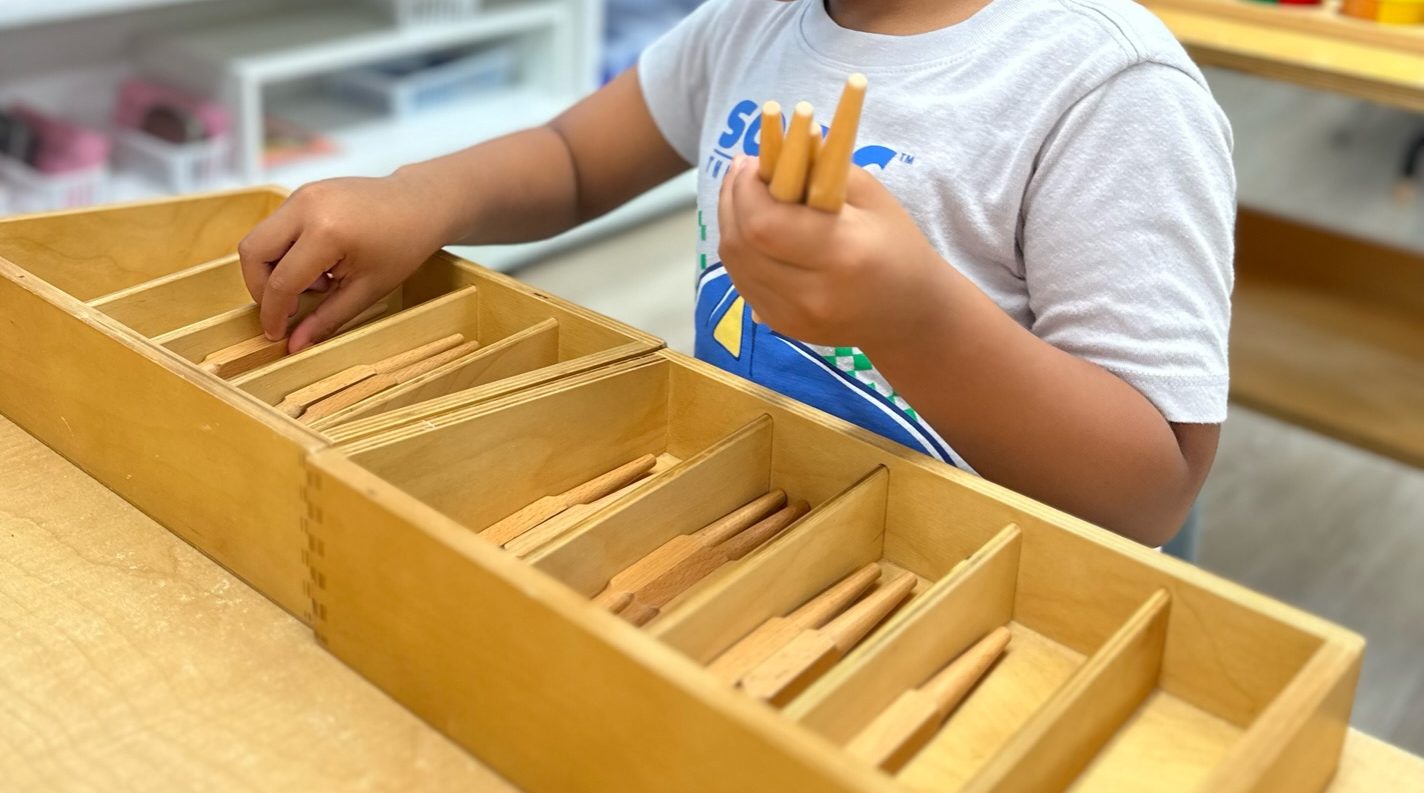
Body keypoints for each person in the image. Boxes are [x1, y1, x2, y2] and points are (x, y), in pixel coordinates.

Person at [237, 0, 1235, 548]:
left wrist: (915, 320)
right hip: (776, 521)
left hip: (993, 575)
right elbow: (579, 158)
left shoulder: (1107, 83)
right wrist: (425, 194)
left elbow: (1149, 494)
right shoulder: (749, 22)